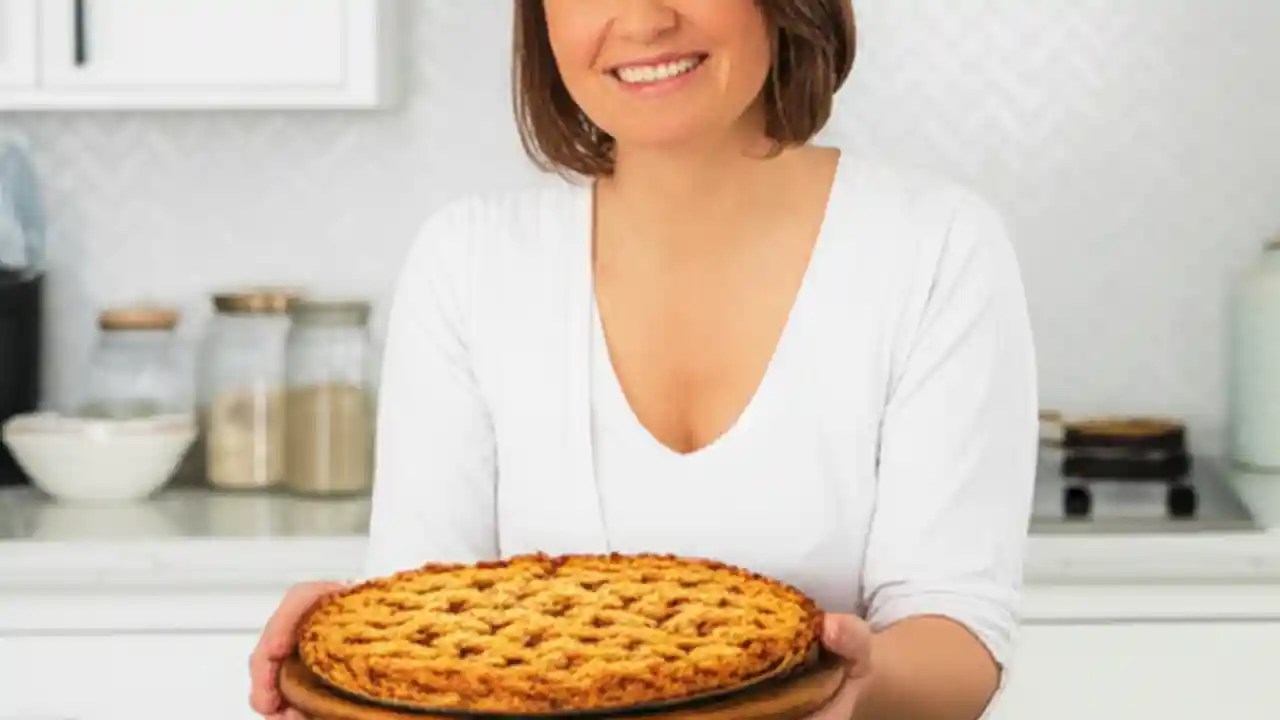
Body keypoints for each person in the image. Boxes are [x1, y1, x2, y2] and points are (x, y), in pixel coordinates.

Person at [249, 1, 1038, 718]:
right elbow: (425, 620)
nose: (643, 19)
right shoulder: (468, 263)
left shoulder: (935, 247)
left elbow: (955, 633)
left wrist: (860, 684)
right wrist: (340, 675)